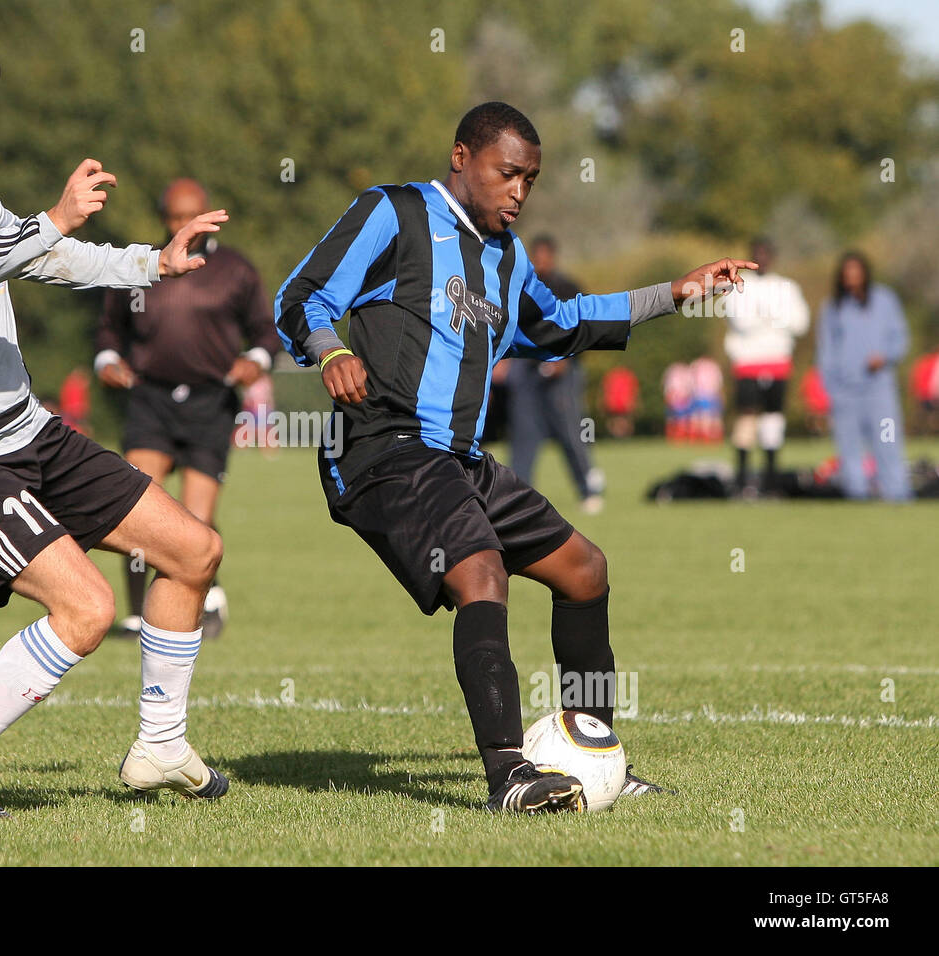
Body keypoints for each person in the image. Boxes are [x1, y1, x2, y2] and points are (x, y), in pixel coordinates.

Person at [275, 101, 755, 814]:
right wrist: (331, 348)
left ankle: (598, 754)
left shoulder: (507, 258)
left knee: (584, 571)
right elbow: (302, 295)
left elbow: (559, 326)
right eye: (508, 174)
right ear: (461, 157)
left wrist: (675, 294)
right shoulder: (395, 214)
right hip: (381, 447)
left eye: (531, 179)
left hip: (459, 460)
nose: (520, 193)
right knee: (481, 572)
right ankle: (510, 774)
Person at [0, 30, 231, 818]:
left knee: (194, 551)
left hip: (30, 429)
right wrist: (52, 216)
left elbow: (41, 258)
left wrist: (148, 264)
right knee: (87, 611)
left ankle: (159, 745)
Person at [95, 178, 280, 638]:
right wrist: (107, 360)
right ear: (164, 218)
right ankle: (138, 615)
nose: (183, 225)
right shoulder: (143, 264)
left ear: (209, 215)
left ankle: (208, 600)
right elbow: (109, 330)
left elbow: (266, 332)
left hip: (210, 401)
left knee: (194, 521)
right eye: (174, 218)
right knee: (136, 508)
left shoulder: (235, 270)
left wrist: (253, 362)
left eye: (190, 216)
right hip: (150, 399)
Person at [504, 235, 603, 513]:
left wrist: (567, 358)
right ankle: (516, 495)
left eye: (546, 255)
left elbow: (585, 327)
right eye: (537, 255)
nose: (542, 261)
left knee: (570, 430)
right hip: (527, 369)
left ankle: (589, 488)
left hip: (564, 371)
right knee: (524, 432)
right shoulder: (520, 288)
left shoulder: (568, 287)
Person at [816, 251, 911, 501]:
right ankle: (857, 496)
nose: (852, 278)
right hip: (846, 391)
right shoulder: (833, 307)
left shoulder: (885, 300)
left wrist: (886, 356)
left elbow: (900, 338)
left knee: (888, 441)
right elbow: (826, 351)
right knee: (849, 449)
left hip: (880, 391)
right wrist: (831, 390)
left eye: (856, 272)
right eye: (847, 273)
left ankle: (897, 493)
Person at [722, 238, 809, 493]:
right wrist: (775, 317)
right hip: (747, 364)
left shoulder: (787, 287)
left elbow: (800, 322)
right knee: (746, 419)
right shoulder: (738, 286)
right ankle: (742, 479)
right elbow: (742, 321)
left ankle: (771, 479)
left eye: (766, 254)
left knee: (773, 419)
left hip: (778, 363)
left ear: (773, 257)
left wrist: (768, 316)